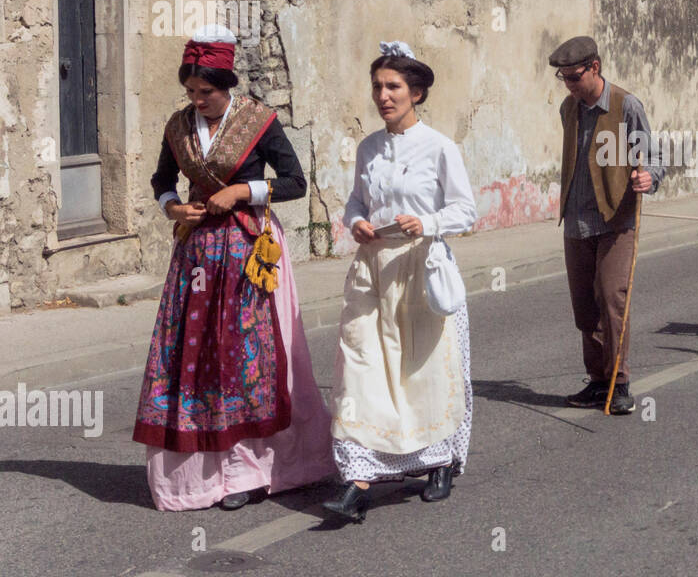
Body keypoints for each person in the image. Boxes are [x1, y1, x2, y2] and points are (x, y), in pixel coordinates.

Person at [135, 25, 334, 510]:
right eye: (190, 92)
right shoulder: (178, 127)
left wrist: (242, 191)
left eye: (206, 92)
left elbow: (294, 183)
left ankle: (252, 471)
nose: (197, 100)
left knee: (246, 359)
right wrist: (173, 208)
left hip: (248, 252)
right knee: (194, 356)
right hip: (197, 255)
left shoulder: (260, 123)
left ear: (227, 87)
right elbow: (162, 180)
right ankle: (199, 473)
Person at [323, 42, 477, 523]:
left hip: (420, 268)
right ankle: (357, 481)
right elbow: (354, 202)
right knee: (361, 368)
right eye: (377, 87)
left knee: (423, 372)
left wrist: (426, 224)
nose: (383, 96)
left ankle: (439, 462)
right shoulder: (368, 147)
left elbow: (465, 211)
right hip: (373, 269)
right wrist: (356, 224)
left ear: (417, 93)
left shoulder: (440, 147)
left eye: (393, 87)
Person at [550, 36, 663, 414]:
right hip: (576, 220)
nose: (569, 84)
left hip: (615, 218)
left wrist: (649, 175)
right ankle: (598, 381)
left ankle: (620, 383)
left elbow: (652, 152)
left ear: (594, 67)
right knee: (585, 306)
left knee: (613, 301)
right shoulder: (570, 109)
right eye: (563, 78)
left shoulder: (625, 104)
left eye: (574, 77)